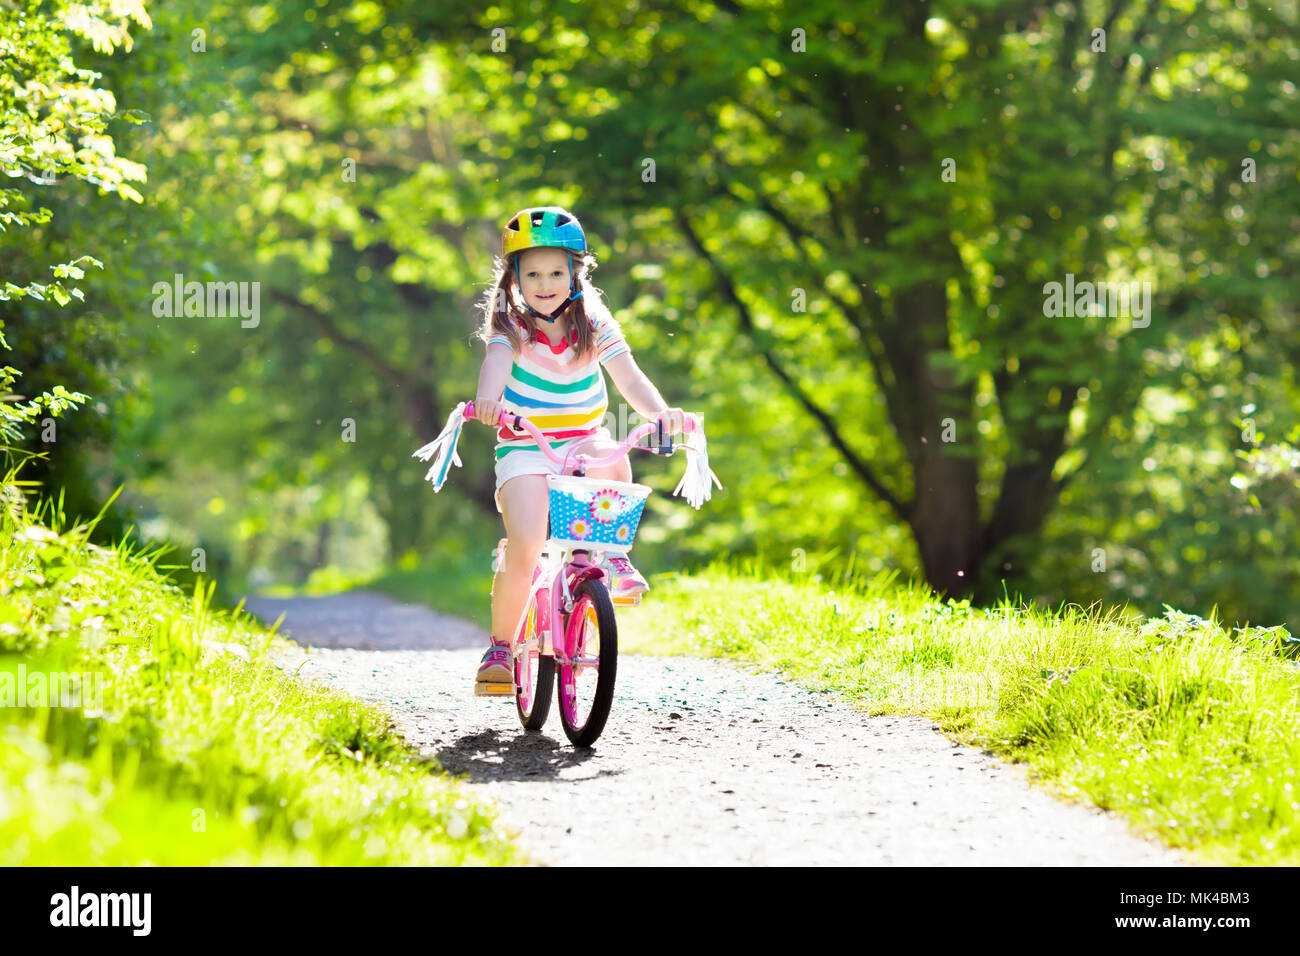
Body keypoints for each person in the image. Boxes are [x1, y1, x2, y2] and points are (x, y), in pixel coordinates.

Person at [469, 206, 687, 691]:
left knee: (612, 458)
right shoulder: (511, 322)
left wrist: (660, 413)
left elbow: (628, 374)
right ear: (514, 279)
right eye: (532, 273)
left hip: (583, 439)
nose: (544, 283)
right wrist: (487, 400)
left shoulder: (593, 319)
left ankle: (610, 556)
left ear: (575, 274)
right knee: (525, 543)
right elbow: (496, 362)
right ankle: (501, 648)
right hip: (526, 444)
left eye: (555, 272)